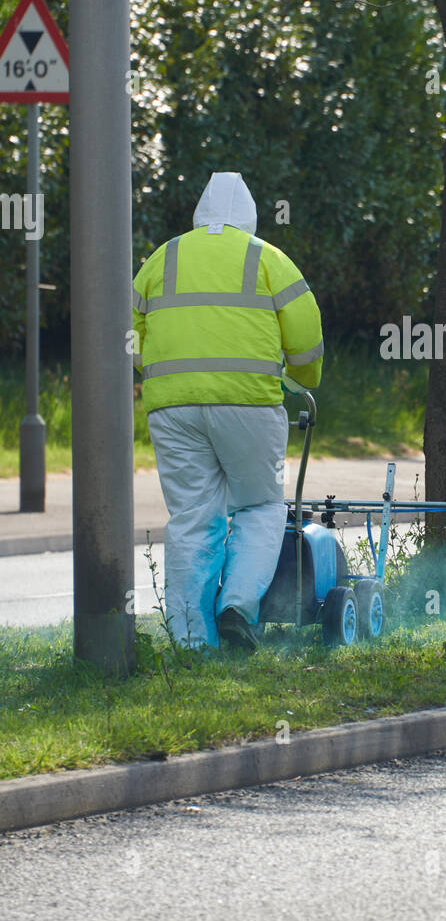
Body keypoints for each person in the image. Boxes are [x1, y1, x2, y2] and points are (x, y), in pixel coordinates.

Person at [132, 172, 323, 651]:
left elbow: (128, 331)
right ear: (250, 217)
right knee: (260, 505)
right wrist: (302, 376)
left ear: (199, 214)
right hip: (248, 404)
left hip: (171, 408)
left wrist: (159, 370)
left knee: (192, 516)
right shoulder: (267, 258)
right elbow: (306, 330)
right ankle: (238, 604)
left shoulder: (162, 258)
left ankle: (193, 640)